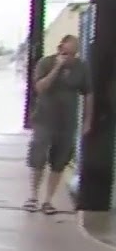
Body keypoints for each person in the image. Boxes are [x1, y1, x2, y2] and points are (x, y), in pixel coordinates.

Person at [25, 34, 92, 215]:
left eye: (73, 54)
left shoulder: (81, 67)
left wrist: (87, 120)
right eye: (67, 53)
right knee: (38, 157)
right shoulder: (45, 63)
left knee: (59, 161)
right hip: (44, 119)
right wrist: (57, 67)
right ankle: (33, 196)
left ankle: (48, 200)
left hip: (67, 122)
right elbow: (40, 87)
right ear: (60, 49)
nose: (70, 57)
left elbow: (88, 93)